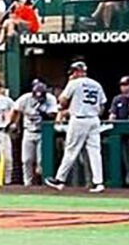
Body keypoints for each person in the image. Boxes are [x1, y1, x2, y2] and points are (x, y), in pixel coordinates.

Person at [47, 60, 107, 192]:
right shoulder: (96, 84)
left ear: (79, 72)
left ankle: (60, 180)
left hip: (79, 119)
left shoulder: (74, 83)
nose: (73, 74)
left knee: (71, 150)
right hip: (94, 119)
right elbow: (102, 105)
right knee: (95, 152)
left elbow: (62, 101)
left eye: (74, 72)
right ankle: (99, 183)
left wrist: (66, 108)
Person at [14, 79, 58, 185]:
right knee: (26, 160)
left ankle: (42, 184)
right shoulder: (25, 98)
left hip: (43, 133)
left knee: (41, 162)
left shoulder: (50, 99)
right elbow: (16, 111)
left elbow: (53, 115)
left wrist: (43, 111)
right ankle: (27, 183)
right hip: (28, 131)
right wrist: (14, 124)